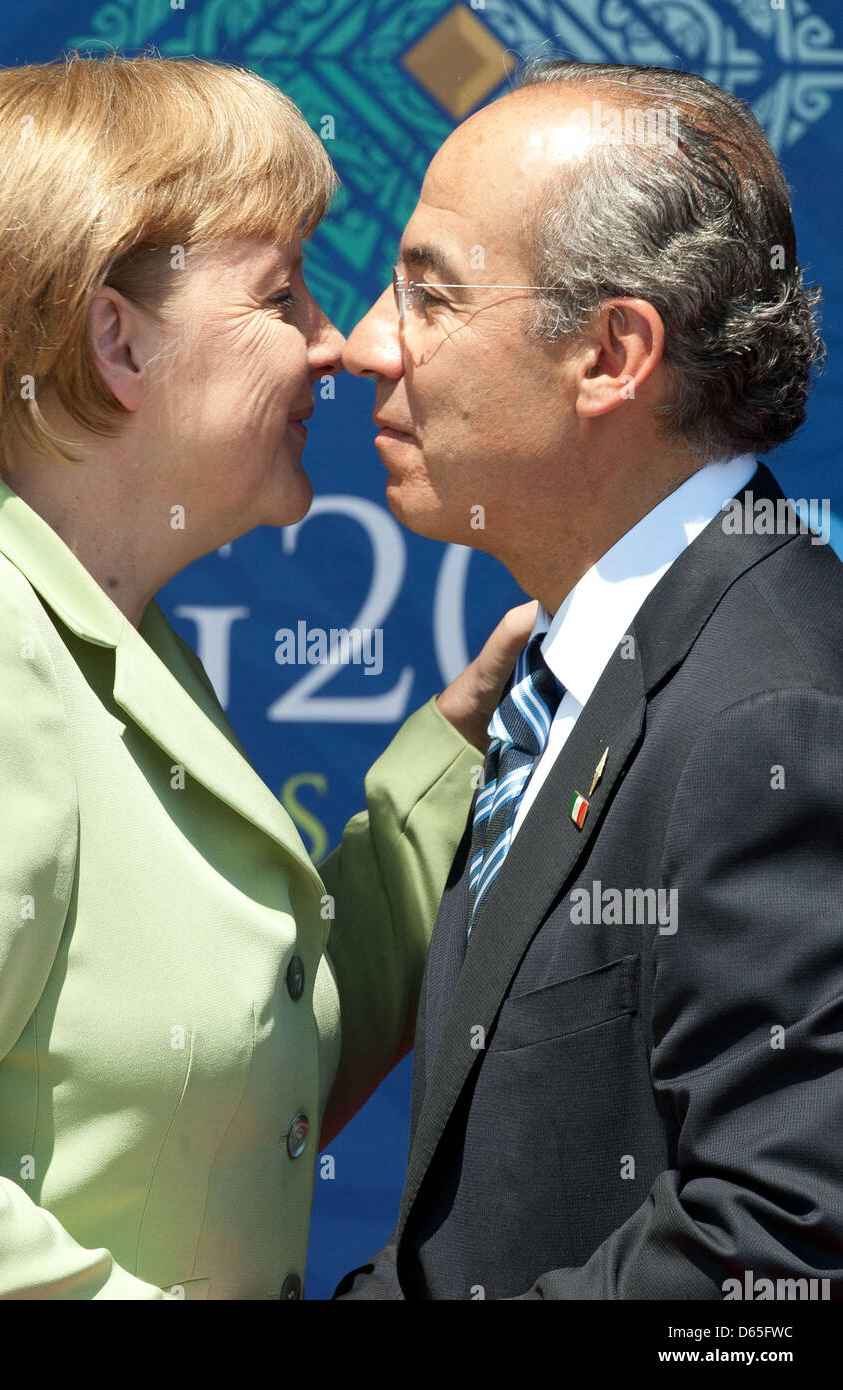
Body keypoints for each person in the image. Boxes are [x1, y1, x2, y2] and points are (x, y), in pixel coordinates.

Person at [0, 52, 531, 1301]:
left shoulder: (102, 626)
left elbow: (265, 1057)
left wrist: (464, 741)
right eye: (282, 294)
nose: (334, 347)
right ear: (115, 343)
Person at [335, 59, 843, 1299]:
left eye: (428, 296)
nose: (361, 346)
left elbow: (779, 1252)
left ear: (612, 353)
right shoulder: (579, 672)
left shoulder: (772, 715)